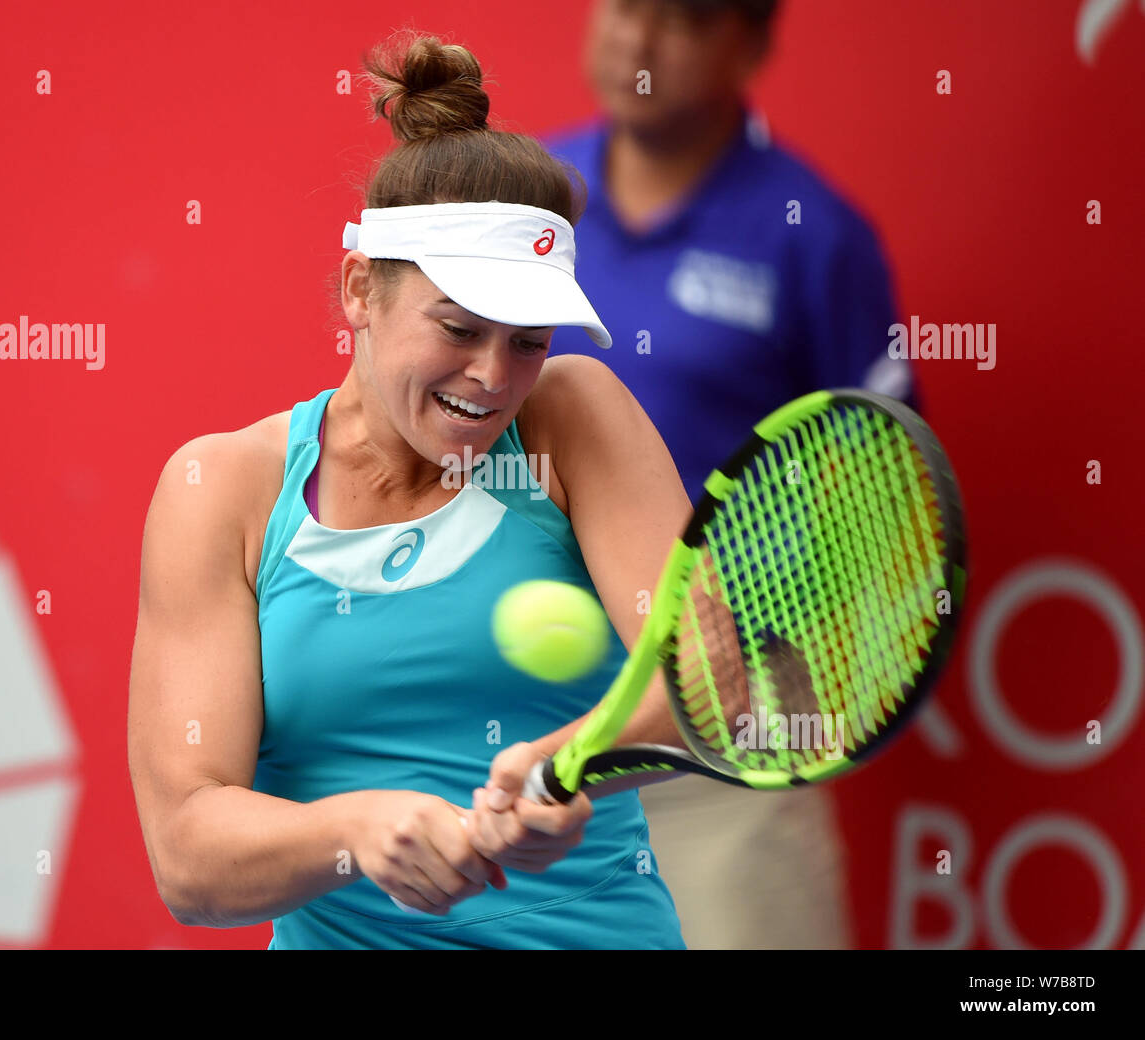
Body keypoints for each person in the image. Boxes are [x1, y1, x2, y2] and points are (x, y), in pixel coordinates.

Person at [128, 33, 698, 950]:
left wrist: (556, 771)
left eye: (528, 340)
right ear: (361, 289)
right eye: (459, 327)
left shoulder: (573, 414)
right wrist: (354, 832)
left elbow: (712, 686)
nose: (492, 376)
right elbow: (189, 858)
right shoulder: (221, 488)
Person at [542, 0, 920, 948]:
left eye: (685, 17)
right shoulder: (529, 203)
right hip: (524, 727)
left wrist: (750, 654)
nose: (638, 39)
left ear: (750, 45)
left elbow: (879, 486)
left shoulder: (816, 237)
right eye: (624, 6)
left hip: (727, 744)